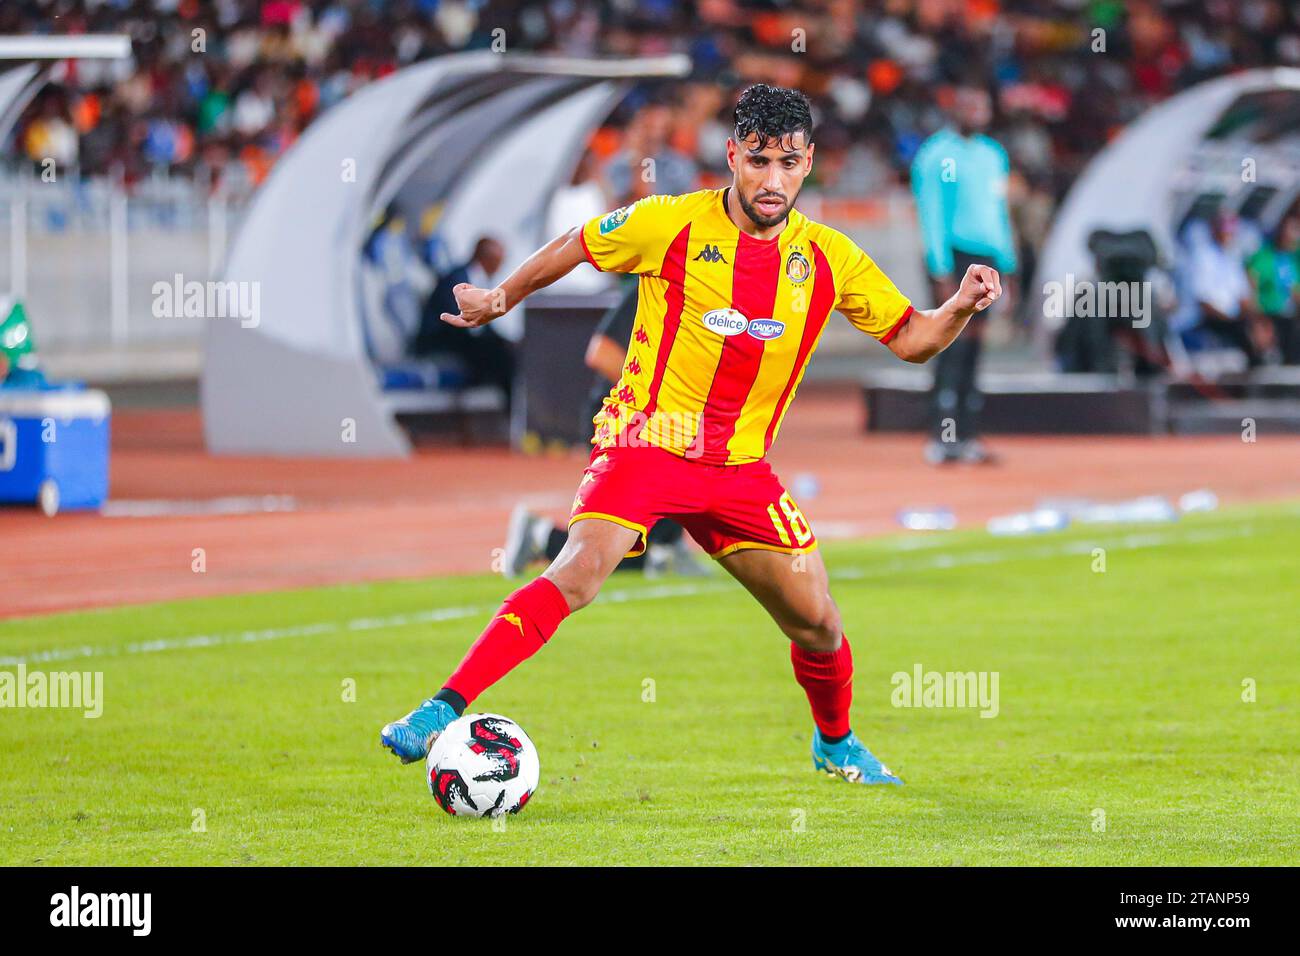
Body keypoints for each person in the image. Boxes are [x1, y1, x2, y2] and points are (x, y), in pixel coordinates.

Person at [381, 84, 1001, 787]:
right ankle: (441, 708)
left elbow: (913, 339)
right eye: (759, 161)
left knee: (819, 624)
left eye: (789, 163)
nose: (773, 180)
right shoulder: (671, 222)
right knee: (579, 572)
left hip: (740, 470)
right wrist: (502, 297)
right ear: (733, 155)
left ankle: (836, 743)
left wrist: (958, 306)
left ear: (808, 165)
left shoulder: (829, 258)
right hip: (649, 440)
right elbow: (578, 244)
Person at [502, 288, 704, 579]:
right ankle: (542, 537)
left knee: (697, 465)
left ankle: (666, 545)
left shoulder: (710, 292)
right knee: (626, 546)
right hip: (621, 422)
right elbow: (602, 353)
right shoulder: (657, 284)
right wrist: (660, 397)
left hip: (666, 422)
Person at [910, 80, 1017, 465]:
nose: (978, 113)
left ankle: (969, 435)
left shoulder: (993, 155)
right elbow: (931, 212)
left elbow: (998, 214)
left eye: (982, 106)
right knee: (949, 345)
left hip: (987, 256)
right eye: (970, 106)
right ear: (955, 109)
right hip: (954, 257)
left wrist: (1009, 265)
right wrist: (939, 269)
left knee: (975, 349)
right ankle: (941, 437)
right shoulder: (937, 155)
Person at [411, 236, 516, 411]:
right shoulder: (456, 281)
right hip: (440, 341)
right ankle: (510, 414)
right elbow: (457, 321)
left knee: (504, 350)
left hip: (460, 339)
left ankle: (510, 412)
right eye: (499, 262)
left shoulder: (477, 281)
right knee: (500, 356)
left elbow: (483, 323)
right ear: (487, 260)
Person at [1245, 208, 1300, 365]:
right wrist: (1257, 319)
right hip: (1269, 314)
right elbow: (1252, 286)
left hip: (1290, 315)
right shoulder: (1263, 256)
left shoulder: (1294, 259)